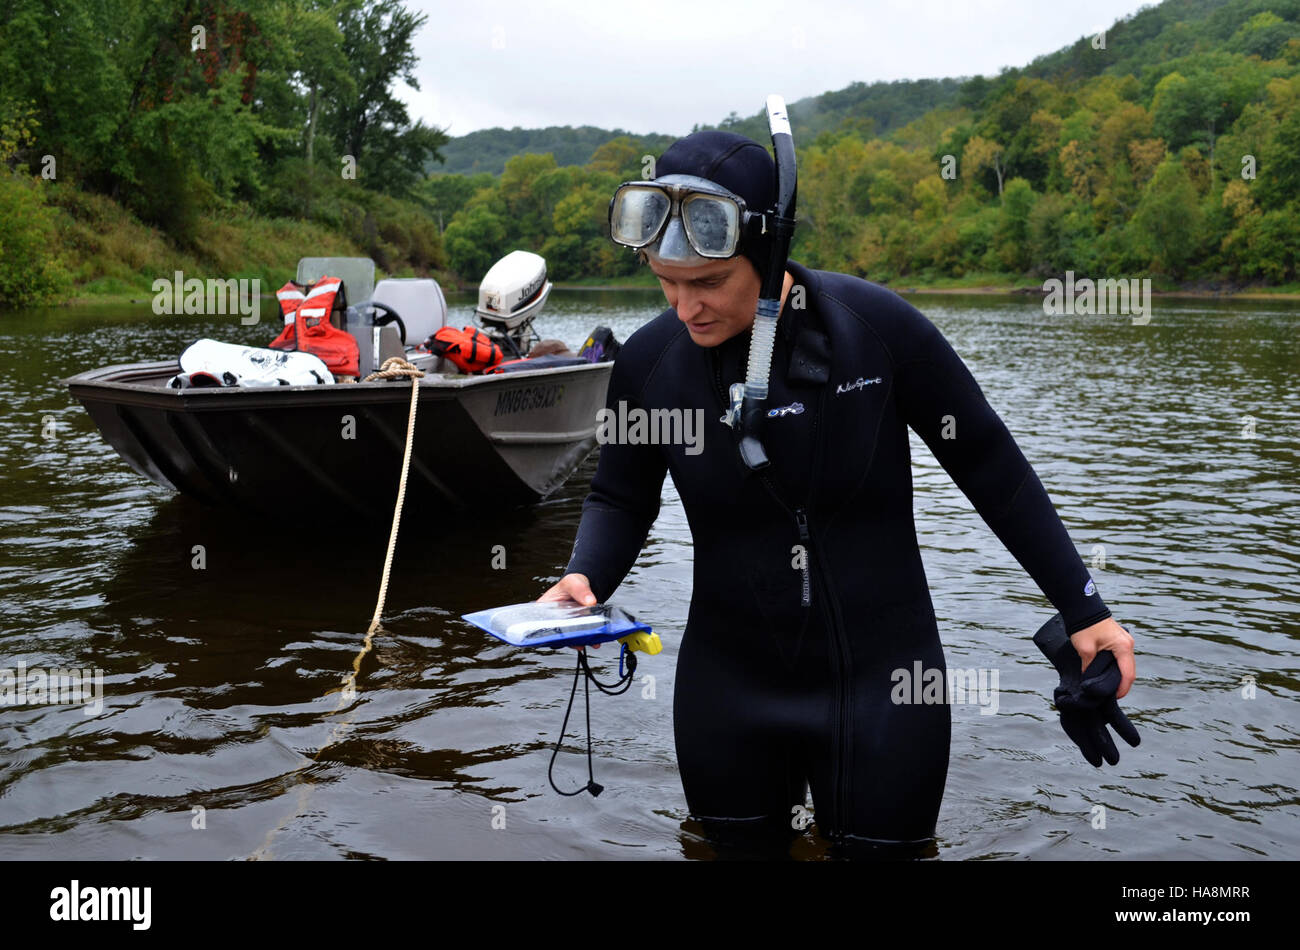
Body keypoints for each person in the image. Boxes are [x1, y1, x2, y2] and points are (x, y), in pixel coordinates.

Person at [539, 129, 1138, 857]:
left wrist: (1084, 608)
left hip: (884, 687)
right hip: (727, 689)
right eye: (665, 284)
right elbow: (621, 499)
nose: (685, 307)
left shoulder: (875, 333)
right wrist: (585, 575)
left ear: (767, 252)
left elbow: (989, 464)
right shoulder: (650, 363)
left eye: (707, 284)